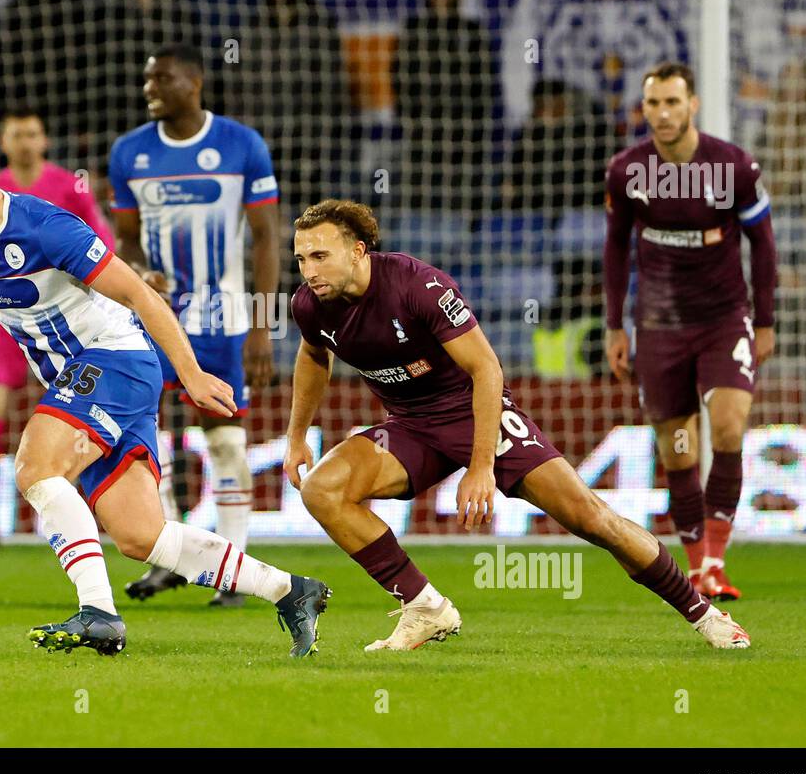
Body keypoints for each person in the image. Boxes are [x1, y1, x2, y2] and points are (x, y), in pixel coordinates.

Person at [0, 124, 329, 657]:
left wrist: (188, 373)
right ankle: (291, 591)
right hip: (85, 382)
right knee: (141, 537)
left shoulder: (48, 228)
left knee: (35, 467)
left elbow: (141, 294)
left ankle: (99, 614)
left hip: (113, 361)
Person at [285, 199, 750, 652]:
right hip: (409, 427)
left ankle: (703, 613)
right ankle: (425, 606)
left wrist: (481, 465)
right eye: (302, 258)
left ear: (358, 251)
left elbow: (487, 370)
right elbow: (312, 355)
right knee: (322, 489)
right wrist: (296, 437)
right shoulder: (309, 305)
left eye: (320, 256)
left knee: (592, 519)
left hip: (476, 415)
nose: (310, 271)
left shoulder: (418, 286)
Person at [109, 44, 280, 608]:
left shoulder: (240, 146)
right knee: (147, 443)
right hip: (154, 320)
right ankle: (171, 561)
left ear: (194, 82)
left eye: (161, 78)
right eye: (146, 79)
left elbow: (266, 239)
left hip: (225, 320)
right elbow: (126, 239)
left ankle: (232, 569)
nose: (150, 88)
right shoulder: (129, 153)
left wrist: (263, 325)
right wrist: (138, 270)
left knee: (226, 443)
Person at [604, 61, 777, 600]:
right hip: (658, 328)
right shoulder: (627, 171)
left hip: (723, 320)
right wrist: (615, 325)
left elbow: (764, 245)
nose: (661, 113)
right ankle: (698, 565)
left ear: (693, 105)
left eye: (672, 102)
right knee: (679, 450)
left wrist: (766, 320)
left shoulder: (734, 167)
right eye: (653, 103)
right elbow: (615, 249)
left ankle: (718, 561)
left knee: (728, 427)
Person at [0, 107, 115, 555]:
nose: (26, 141)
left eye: (33, 133)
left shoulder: (70, 186)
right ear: (4, 143)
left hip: (64, 323)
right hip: (6, 321)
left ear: (44, 141)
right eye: (17, 134)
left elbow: (100, 241)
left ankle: (80, 520)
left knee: (81, 420)